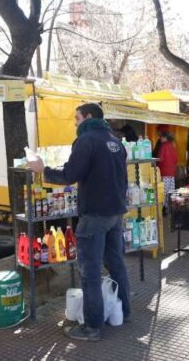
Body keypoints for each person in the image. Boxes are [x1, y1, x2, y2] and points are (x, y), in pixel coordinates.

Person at [27, 103, 129, 342]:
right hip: (115, 212)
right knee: (116, 264)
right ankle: (124, 311)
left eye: (76, 118)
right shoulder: (115, 141)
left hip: (94, 215)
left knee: (90, 272)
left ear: (88, 117)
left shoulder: (86, 140)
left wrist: (44, 170)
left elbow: (70, 175)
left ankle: (91, 327)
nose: (74, 123)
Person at [158, 131, 178, 205]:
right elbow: (176, 159)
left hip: (164, 172)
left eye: (161, 137)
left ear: (165, 138)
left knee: (163, 191)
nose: (160, 139)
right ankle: (169, 208)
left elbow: (161, 159)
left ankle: (162, 208)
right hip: (172, 172)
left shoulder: (163, 146)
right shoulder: (172, 145)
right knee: (170, 191)